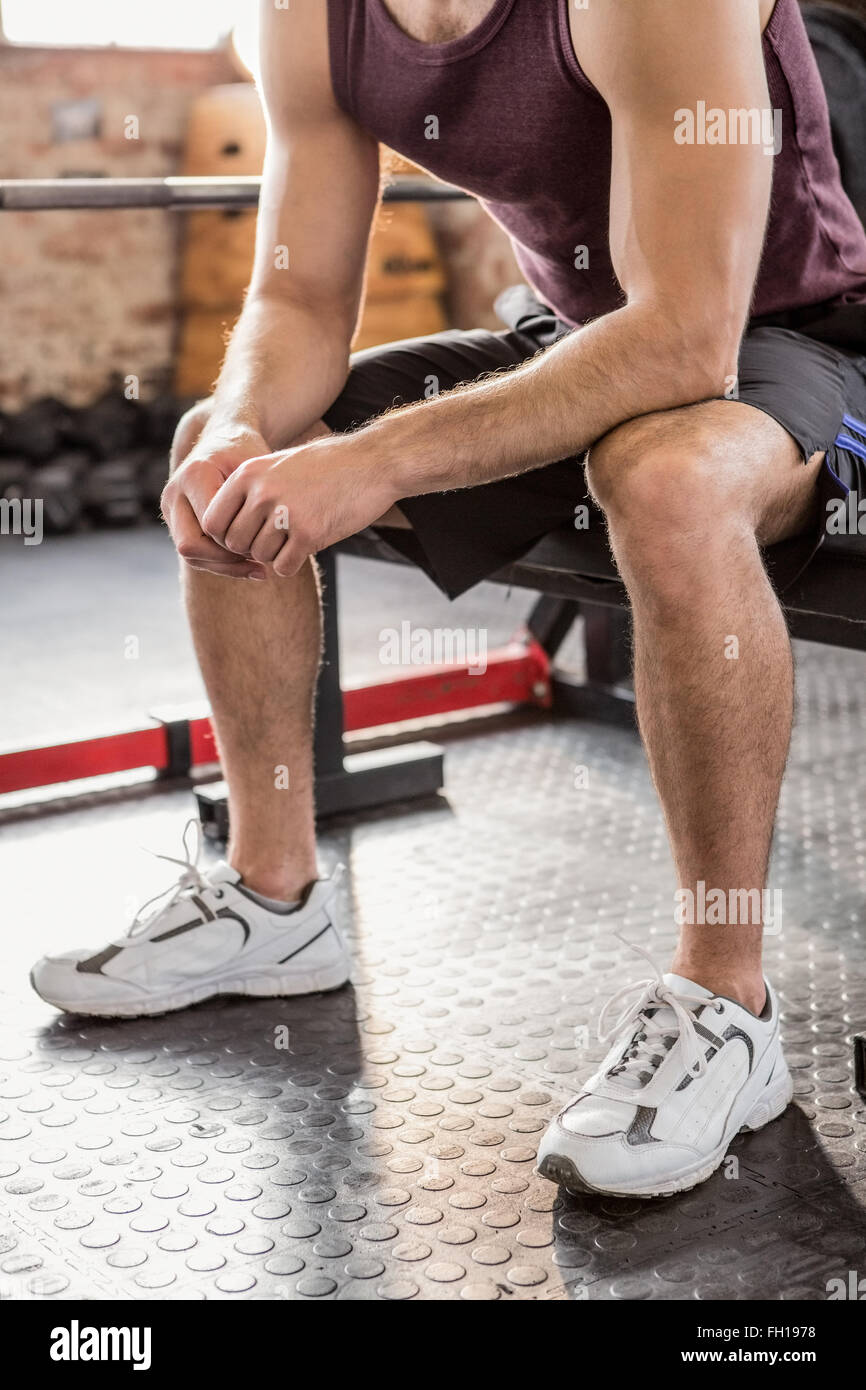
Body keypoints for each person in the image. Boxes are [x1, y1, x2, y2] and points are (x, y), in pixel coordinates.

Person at [32, 0, 866, 1198]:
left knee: (667, 477)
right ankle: (274, 900)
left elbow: (685, 336)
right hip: (568, 334)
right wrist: (238, 423)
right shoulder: (309, 13)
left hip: (783, 339)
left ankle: (724, 1006)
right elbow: (298, 299)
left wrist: (371, 465)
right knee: (232, 457)